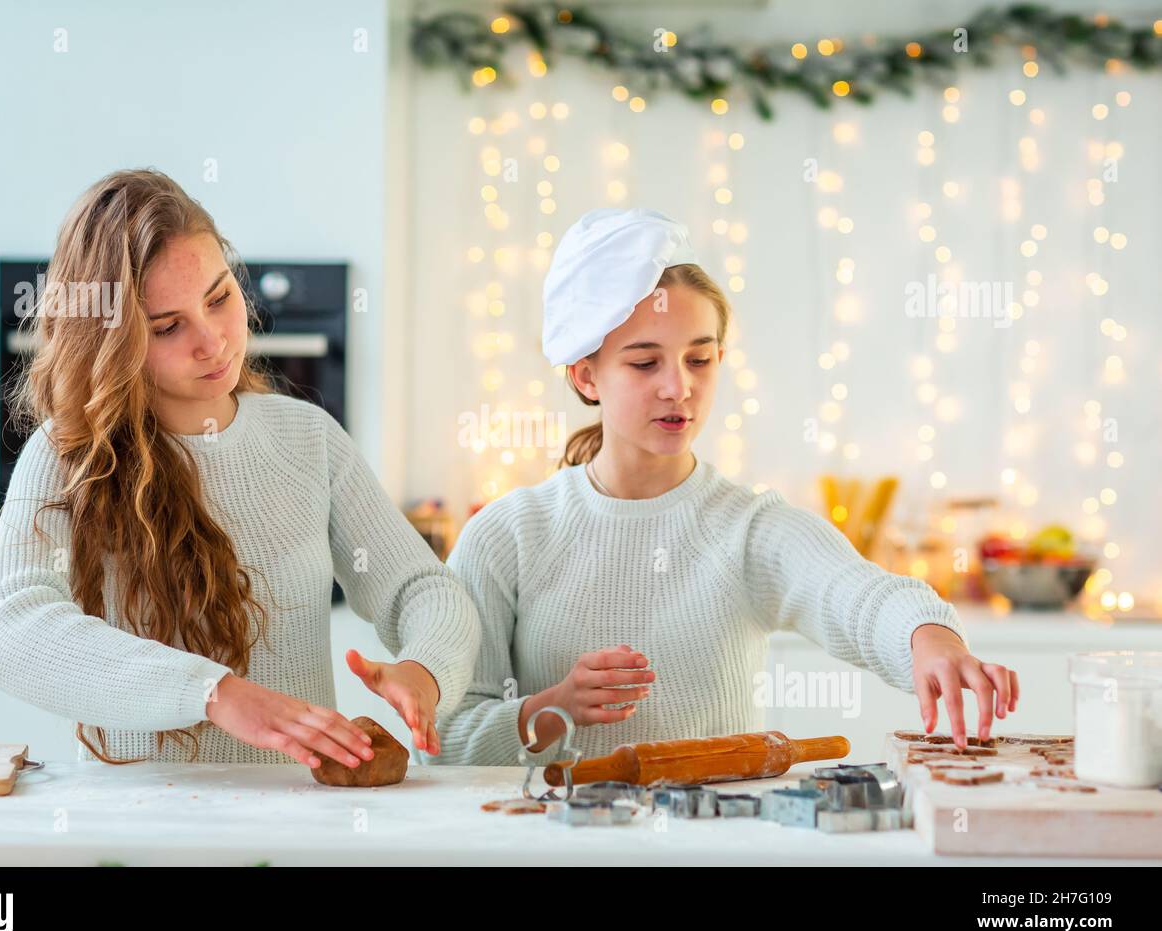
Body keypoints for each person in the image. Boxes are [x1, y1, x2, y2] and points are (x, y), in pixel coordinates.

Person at [426, 208, 1017, 766]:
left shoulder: (750, 528)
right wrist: (552, 710)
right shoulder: (506, 536)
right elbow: (446, 738)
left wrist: (931, 637)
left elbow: (858, 594)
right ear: (586, 375)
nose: (678, 387)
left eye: (699, 360)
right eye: (644, 363)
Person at [0, 169, 479, 767]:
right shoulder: (68, 456)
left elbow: (423, 588)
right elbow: (4, 629)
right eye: (167, 327)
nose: (212, 342)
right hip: (137, 835)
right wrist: (212, 694)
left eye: (218, 298)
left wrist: (423, 672)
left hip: (300, 826)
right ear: (111, 339)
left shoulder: (307, 438)